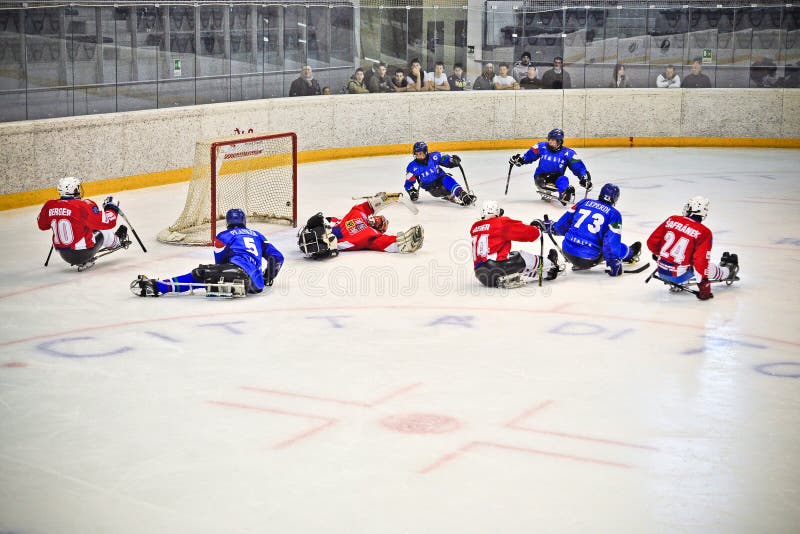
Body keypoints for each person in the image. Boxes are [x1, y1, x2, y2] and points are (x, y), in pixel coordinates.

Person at [132, 209, 283, 297]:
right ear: (244, 222)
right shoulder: (258, 235)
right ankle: (162, 286)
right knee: (208, 275)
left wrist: (214, 276)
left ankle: (160, 287)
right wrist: (267, 277)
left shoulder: (224, 236)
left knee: (201, 274)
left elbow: (220, 263)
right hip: (256, 285)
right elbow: (277, 257)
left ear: (228, 223)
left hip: (238, 274)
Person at [646, 196, 739, 300]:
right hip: (679, 276)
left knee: (690, 261)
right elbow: (701, 262)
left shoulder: (672, 219)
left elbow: (651, 243)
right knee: (705, 266)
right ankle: (726, 272)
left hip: (661, 271)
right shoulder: (704, 232)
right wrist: (704, 287)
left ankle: (682, 277)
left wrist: (662, 257)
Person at [538, 183, 641, 277]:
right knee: (616, 246)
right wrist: (613, 262)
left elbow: (562, 226)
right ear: (615, 199)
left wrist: (551, 227)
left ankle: (582, 256)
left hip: (567, 251)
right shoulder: (614, 214)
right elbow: (610, 243)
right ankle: (631, 253)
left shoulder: (584, 202)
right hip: (588, 259)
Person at [37, 176, 130, 269]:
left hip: (64, 254)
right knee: (103, 231)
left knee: (85, 225)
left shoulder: (49, 205)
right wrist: (111, 207)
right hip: (83, 254)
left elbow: (42, 226)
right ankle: (116, 242)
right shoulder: (82, 206)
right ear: (74, 190)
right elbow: (108, 222)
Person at [471, 200, 560, 288]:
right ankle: (550, 268)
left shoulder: (475, 227)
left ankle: (542, 270)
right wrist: (537, 229)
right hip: (496, 267)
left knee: (511, 255)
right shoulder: (501, 223)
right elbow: (527, 233)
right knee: (522, 256)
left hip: (480, 273)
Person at [298, 193, 424, 256]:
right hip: (325, 230)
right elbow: (371, 204)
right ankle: (309, 234)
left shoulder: (372, 236)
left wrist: (404, 243)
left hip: (331, 243)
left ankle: (317, 244)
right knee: (319, 219)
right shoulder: (360, 213)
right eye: (379, 218)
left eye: (381, 224)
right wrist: (389, 198)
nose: (378, 221)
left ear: (379, 229)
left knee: (330, 242)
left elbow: (388, 243)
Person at [508, 128, 591, 204]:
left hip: (556, 177)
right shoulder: (541, 146)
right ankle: (556, 191)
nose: (550, 142)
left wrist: (584, 177)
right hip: (541, 177)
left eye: (553, 140)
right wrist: (520, 160)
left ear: (559, 141)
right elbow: (529, 156)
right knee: (544, 180)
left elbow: (578, 167)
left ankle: (564, 193)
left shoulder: (569, 153)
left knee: (564, 179)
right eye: (549, 139)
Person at [404, 141, 476, 206]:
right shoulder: (412, 167)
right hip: (430, 187)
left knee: (446, 178)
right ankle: (450, 194)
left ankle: (462, 194)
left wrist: (452, 161)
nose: (418, 156)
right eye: (416, 154)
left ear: (426, 152)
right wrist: (412, 192)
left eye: (420, 153)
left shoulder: (435, 156)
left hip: (441, 178)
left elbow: (446, 160)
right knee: (443, 188)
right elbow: (408, 183)